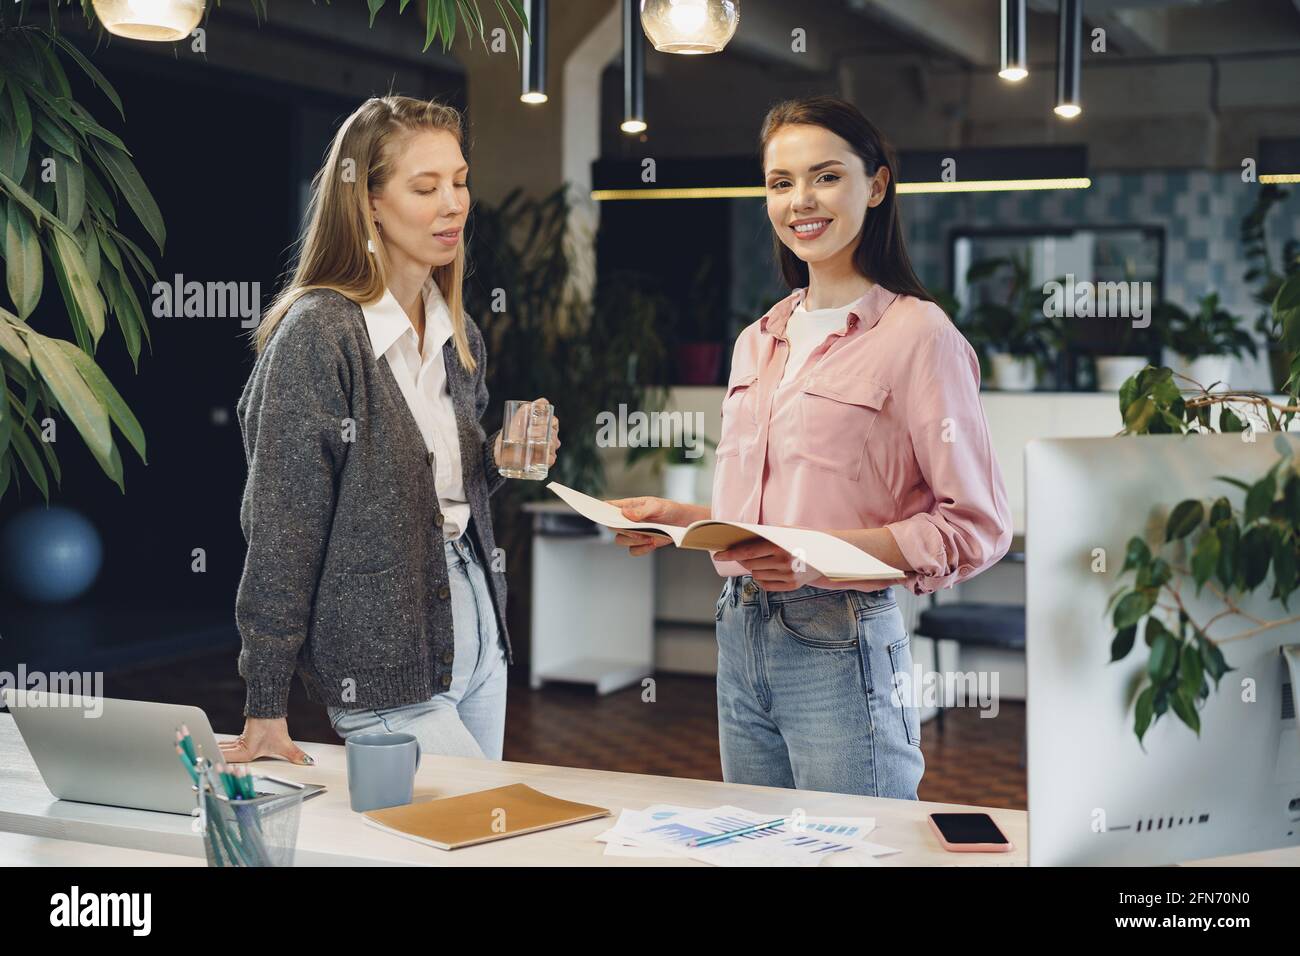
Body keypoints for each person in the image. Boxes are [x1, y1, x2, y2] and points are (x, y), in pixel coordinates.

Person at [611, 95, 1011, 798]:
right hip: (739, 631)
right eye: (780, 182)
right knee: (762, 847)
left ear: (877, 185)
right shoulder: (757, 338)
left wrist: (812, 554)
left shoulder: (919, 336)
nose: (801, 200)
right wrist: (681, 520)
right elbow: (775, 511)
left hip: (839, 636)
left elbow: (974, 526)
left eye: (826, 176)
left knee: (855, 848)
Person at [222, 96, 558, 766]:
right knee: (462, 834)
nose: (453, 204)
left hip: (479, 635)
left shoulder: (457, 334)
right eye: (425, 187)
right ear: (368, 201)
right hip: (381, 652)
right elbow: (282, 526)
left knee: (471, 844)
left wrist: (499, 456)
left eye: (460, 182)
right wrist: (266, 702)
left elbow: (440, 494)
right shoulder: (320, 333)